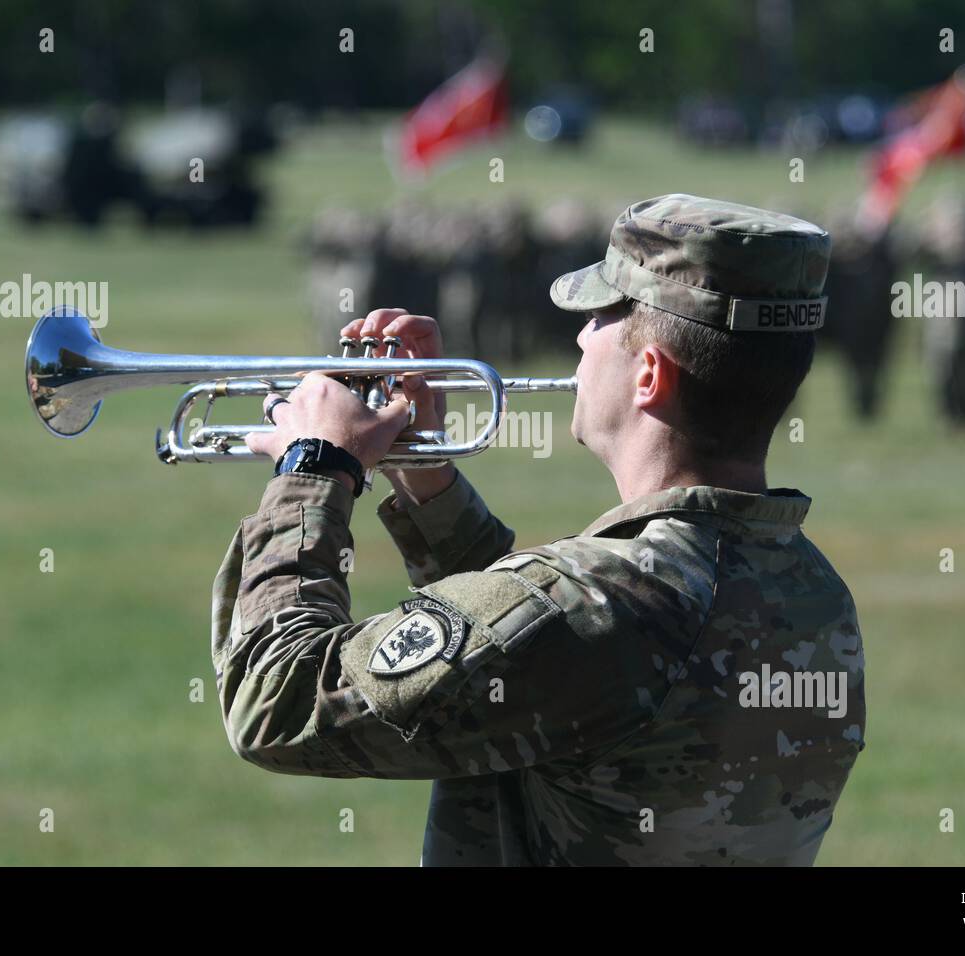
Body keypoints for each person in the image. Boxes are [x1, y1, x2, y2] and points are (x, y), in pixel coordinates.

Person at [211, 194, 867, 866]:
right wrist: (426, 478)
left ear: (650, 375)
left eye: (605, 315)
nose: (581, 334)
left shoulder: (602, 602)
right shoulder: (812, 592)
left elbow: (278, 700)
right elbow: (535, 662)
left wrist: (314, 469)